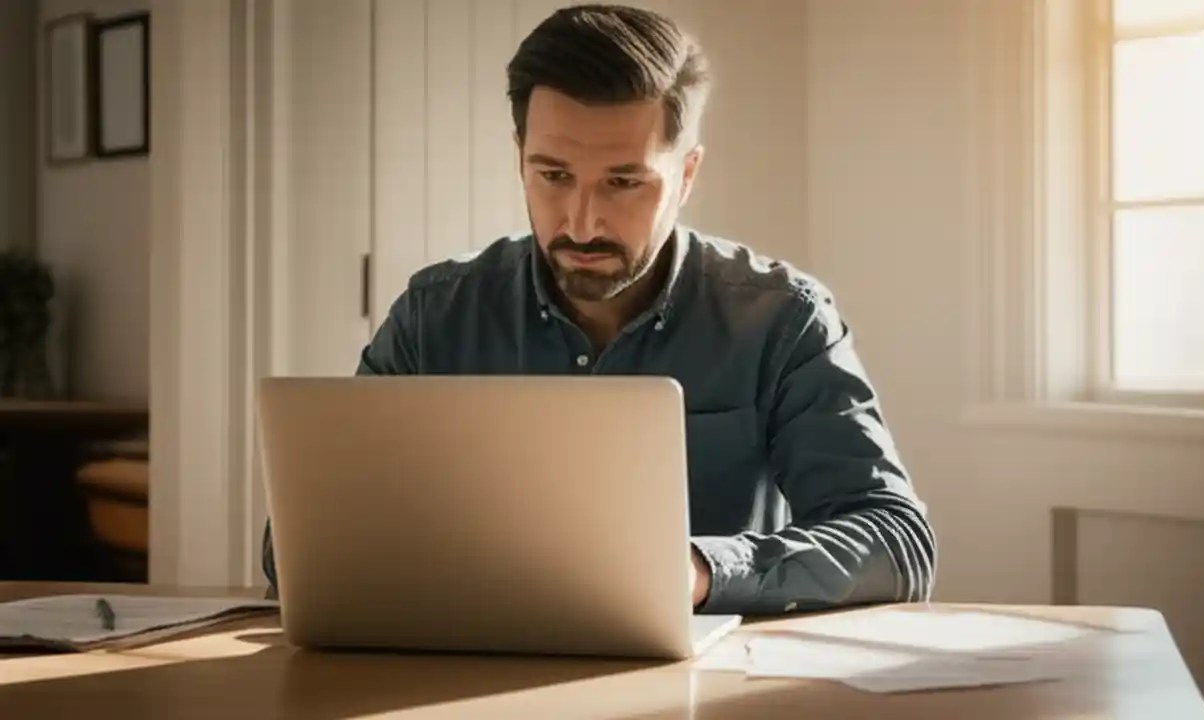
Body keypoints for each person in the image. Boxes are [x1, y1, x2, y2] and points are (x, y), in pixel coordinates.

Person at [264, 4, 935, 615]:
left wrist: (701, 570)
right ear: (519, 158)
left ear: (688, 174)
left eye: (623, 182)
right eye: (552, 175)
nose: (582, 222)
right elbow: (297, 544)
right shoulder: (436, 316)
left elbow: (897, 543)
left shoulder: (782, 320)